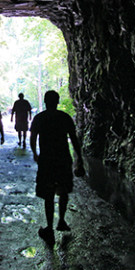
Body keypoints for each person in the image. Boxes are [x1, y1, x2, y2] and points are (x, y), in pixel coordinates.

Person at [29, 90, 84, 244]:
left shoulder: (39, 118)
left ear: (45, 101)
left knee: (49, 193)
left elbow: (33, 138)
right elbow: (74, 139)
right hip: (63, 159)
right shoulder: (65, 117)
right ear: (58, 101)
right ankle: (61, 221)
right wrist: (79, 157)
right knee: (63, 190)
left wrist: (35, 153)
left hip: (47, 160)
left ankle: (49, 228)